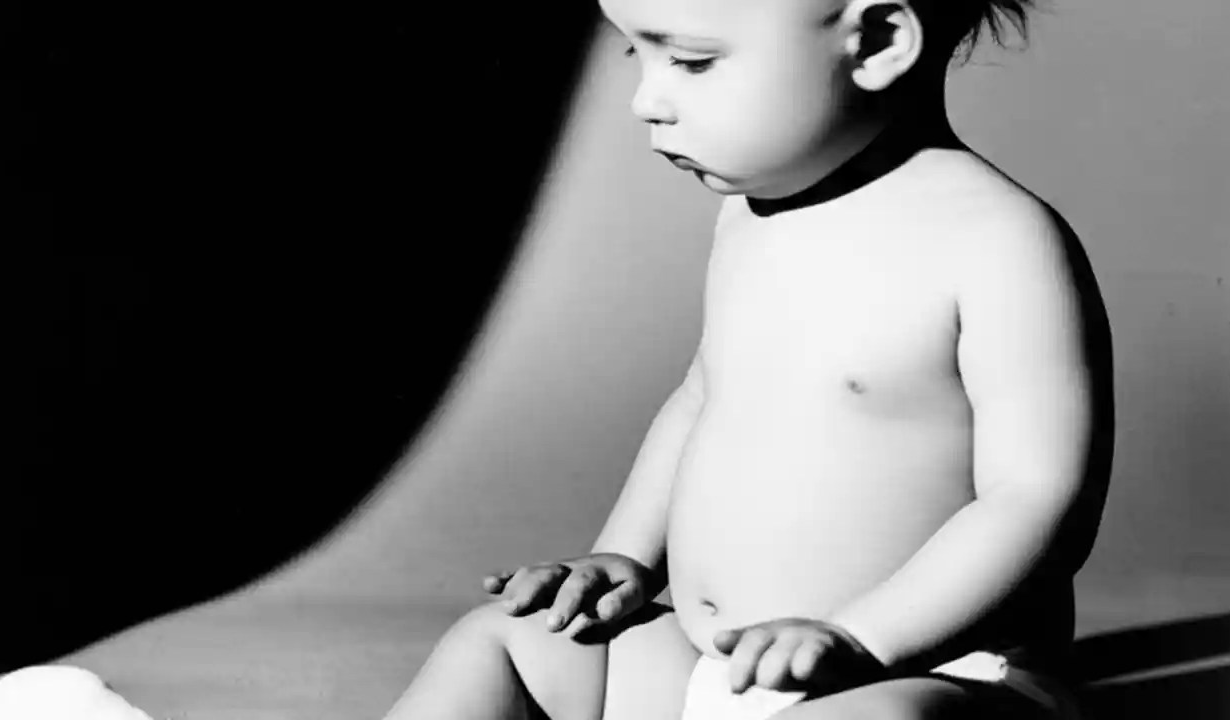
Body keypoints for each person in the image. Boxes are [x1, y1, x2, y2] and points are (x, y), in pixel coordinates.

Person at [384, 0, 1115, 717]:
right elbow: (705, 397)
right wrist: (624, 557)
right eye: (637, 54)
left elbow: (1037, 500)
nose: (647, 100)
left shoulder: (995, 241)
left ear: (879, 40)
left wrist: (861, 639)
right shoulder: (750, 216)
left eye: (693, 61)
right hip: (720, 666)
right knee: (502, 642)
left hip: (932, 675)